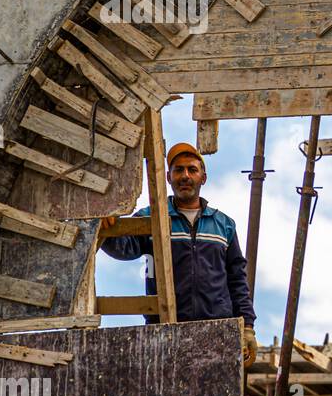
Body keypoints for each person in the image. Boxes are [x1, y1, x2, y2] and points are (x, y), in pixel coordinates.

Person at [101, 142, 259, 380]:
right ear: (168, 177)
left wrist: (247, 327)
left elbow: (237, 280)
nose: (185, 176)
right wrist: (105, 227)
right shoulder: (151, 217)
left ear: (203, 178)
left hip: (216, 332)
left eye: (192, 170)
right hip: (165, 330)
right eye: (178, 170)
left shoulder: (224, 225)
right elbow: (124, 248)